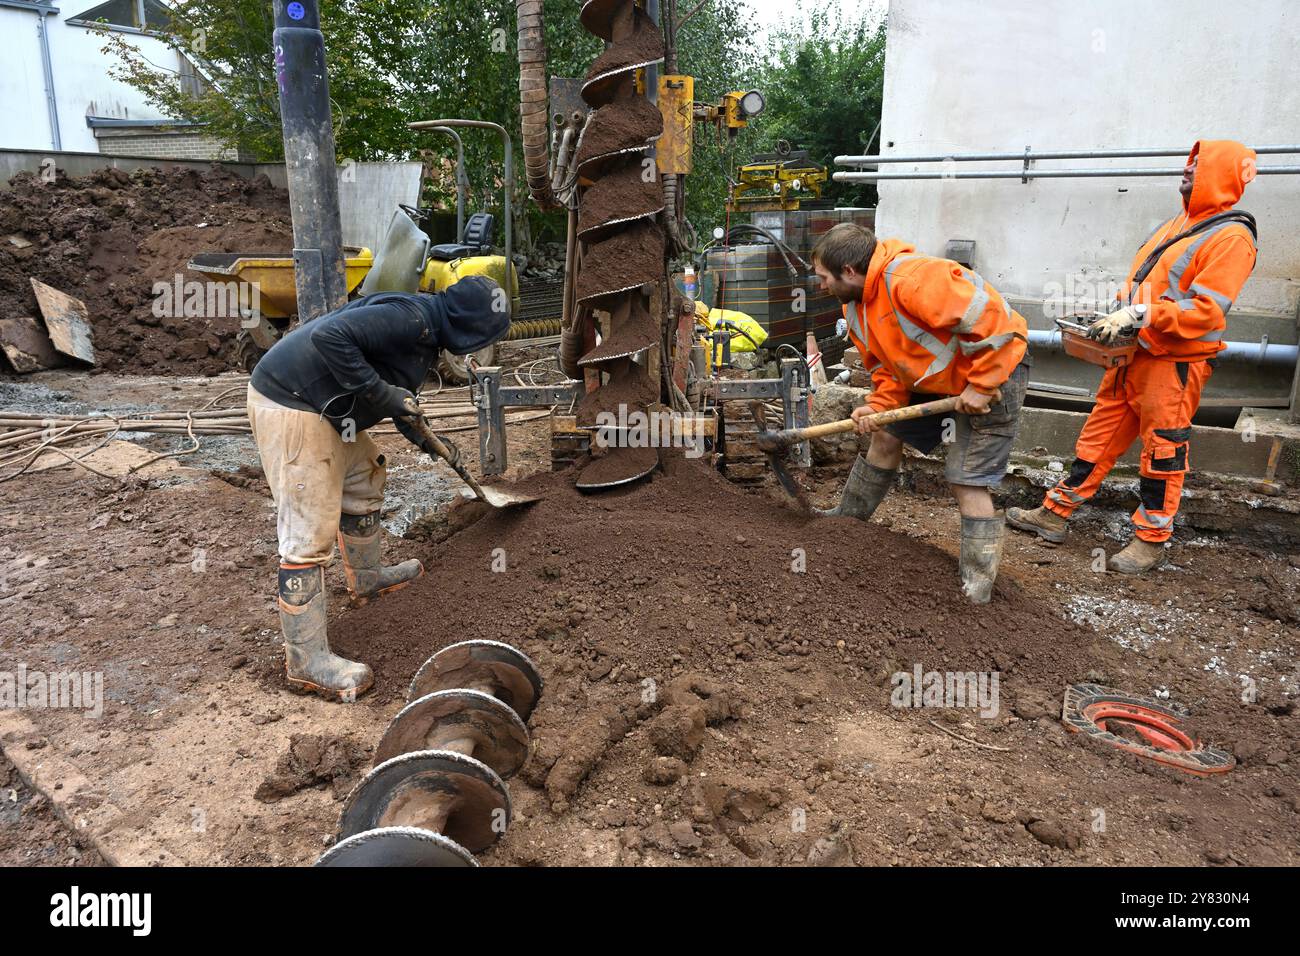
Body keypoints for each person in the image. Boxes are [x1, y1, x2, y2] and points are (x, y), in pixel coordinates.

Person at [247, 277, 508, 700]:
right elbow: (332, 337)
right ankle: (305, 659)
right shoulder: (409, 319)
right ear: (469, 327)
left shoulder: (428, 332)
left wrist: (429, 441)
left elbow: (399, 399)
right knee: (308, 530)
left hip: (327, 410)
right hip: (291, 404)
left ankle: (366, 579)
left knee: (366, 474)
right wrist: (380, 392)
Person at [1008, 140, 1258, 573]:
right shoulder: (1180, 223)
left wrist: (1140, 313)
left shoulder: (1231, 237)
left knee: (1163, 450)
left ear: (1222, 174)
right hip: (1136, 354)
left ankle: (1151, 538)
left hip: (1174, 365)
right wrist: (1122, 319)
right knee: (1098, 435)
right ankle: (1055, 512)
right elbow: (1149, 284)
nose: (1188, 170)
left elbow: (1207, 310)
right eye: (1189, 163)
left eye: (1199, 165)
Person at [812, 222, 1031, 603]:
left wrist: (981, 385)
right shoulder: (855, 305)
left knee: (966, 478)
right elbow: (886, 367)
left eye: (823, 277)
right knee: (885, 434)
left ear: (848, 271)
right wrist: (879, 406)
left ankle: (977, 585)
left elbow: (997, 325)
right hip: (937, 384)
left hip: (996, 373)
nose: (820, 286)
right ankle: (847, 523)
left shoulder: (914, 279)